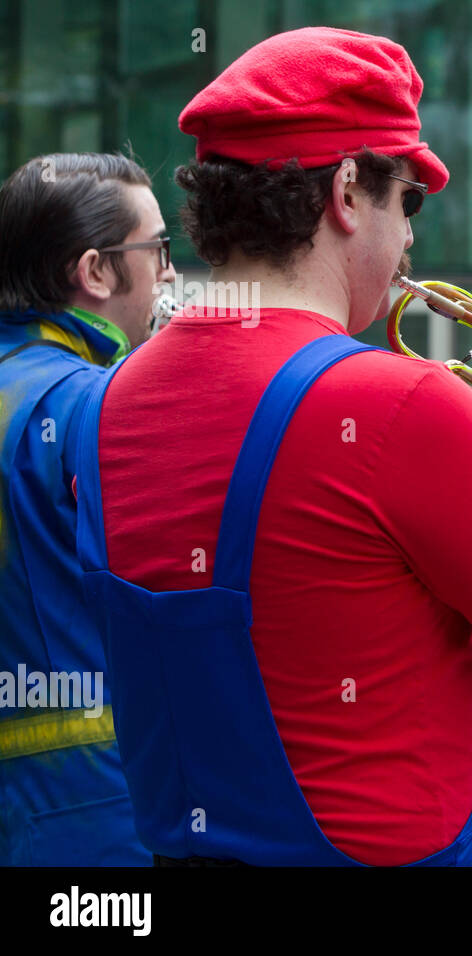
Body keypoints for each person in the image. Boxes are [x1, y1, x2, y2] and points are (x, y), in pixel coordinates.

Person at [71, 27, 472, 866]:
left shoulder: (104, 398)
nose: (409, 238)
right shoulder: (402, 401)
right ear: (345, 190)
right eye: (406, 201)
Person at [0, 152, 173, 865]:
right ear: (96, 271)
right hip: (90, 807)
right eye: (157, 250)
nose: (169, 272)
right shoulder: (100, 405)